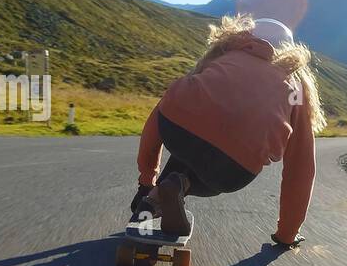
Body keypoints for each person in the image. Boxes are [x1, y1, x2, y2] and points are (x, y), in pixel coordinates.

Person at [131, 15, 324, 247]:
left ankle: (155, 198)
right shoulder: (295, 87)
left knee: (192, 142)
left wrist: (146, 179)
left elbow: (162, 113)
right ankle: (177, 187)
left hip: (176, 129)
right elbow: (300, 166)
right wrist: (287, 234)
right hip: (233, 167)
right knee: (215, 164)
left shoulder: (227, 55)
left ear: (244, 36)